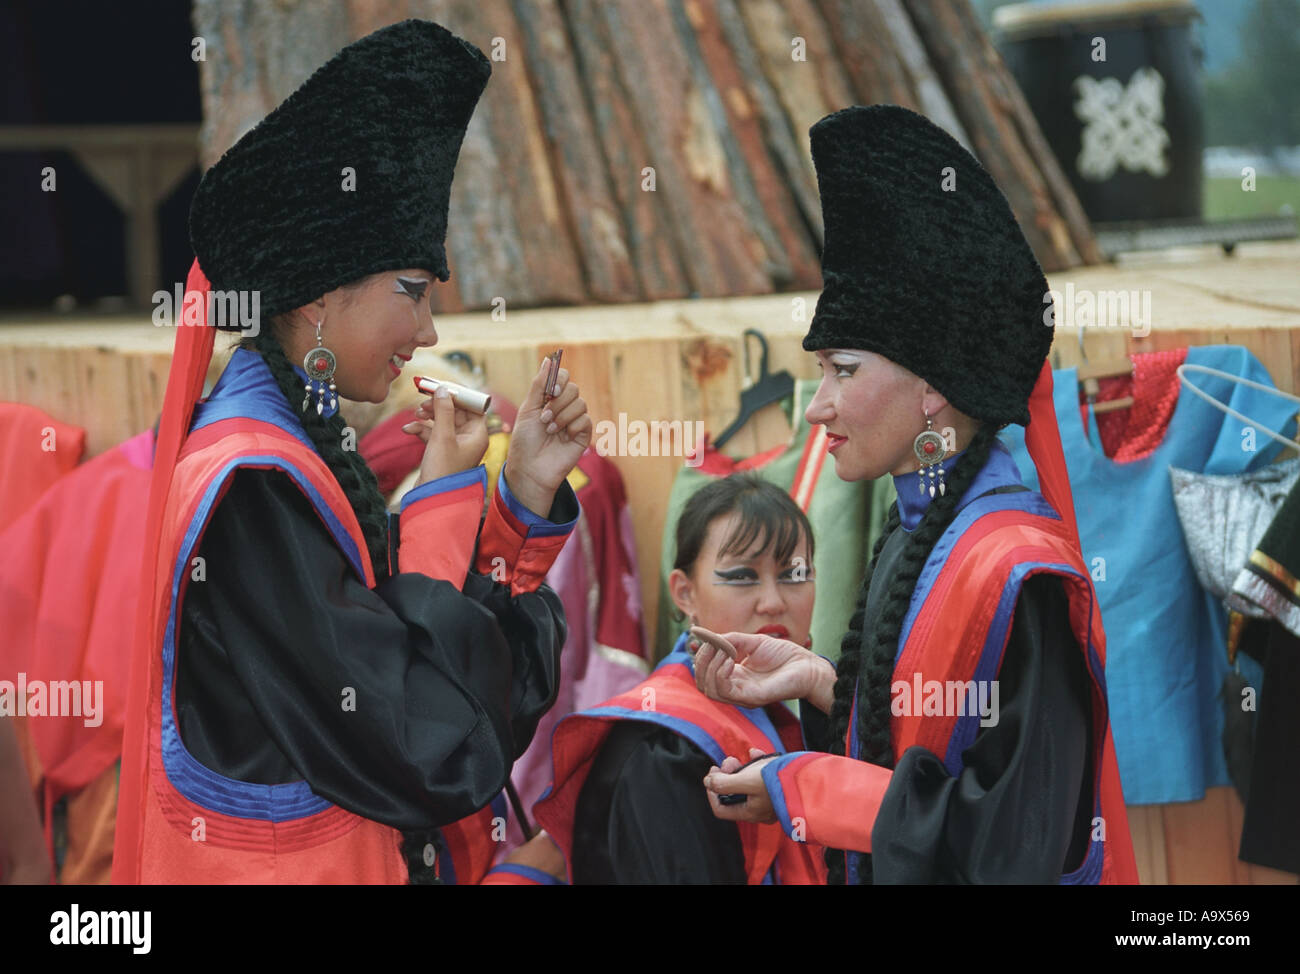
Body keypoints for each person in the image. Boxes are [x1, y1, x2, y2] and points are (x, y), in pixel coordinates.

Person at [112, 19, 591, 885]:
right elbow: (423, 746)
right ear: (321, 300)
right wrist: (446, 503)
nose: (429, 329)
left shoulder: (294, 442)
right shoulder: (252, 487)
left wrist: (517, 501)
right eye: (410, 292)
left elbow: (441, 701)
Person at [694, 105, 1138, 885]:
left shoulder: (1021, 574)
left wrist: (804, 787)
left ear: (931, 390)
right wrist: (819, 683)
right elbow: (935, 734)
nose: (818, 405)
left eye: (843, 370)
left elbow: (1011, 844)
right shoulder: (922, 530)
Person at [532, 475, 825, 884]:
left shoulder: (795, 711)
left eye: (794, 575)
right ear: (684, 593)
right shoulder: (662, 746)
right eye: (742, 576)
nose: (774, 601)